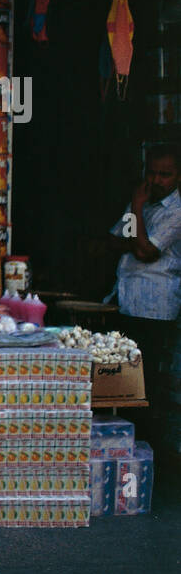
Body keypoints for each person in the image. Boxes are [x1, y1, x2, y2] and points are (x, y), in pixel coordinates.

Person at [107, 144, 181, 439]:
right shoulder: (141, 204)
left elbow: (148, 252)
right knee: (124, 381)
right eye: (152, 173)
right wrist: (135, 239)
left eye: (166, 175)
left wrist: (136, 207)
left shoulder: (175, 212)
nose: (157, 180)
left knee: (145, 387)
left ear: (178, 177)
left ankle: (148, 449)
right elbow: (117, 240)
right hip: (127, 301)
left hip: (154, 307)